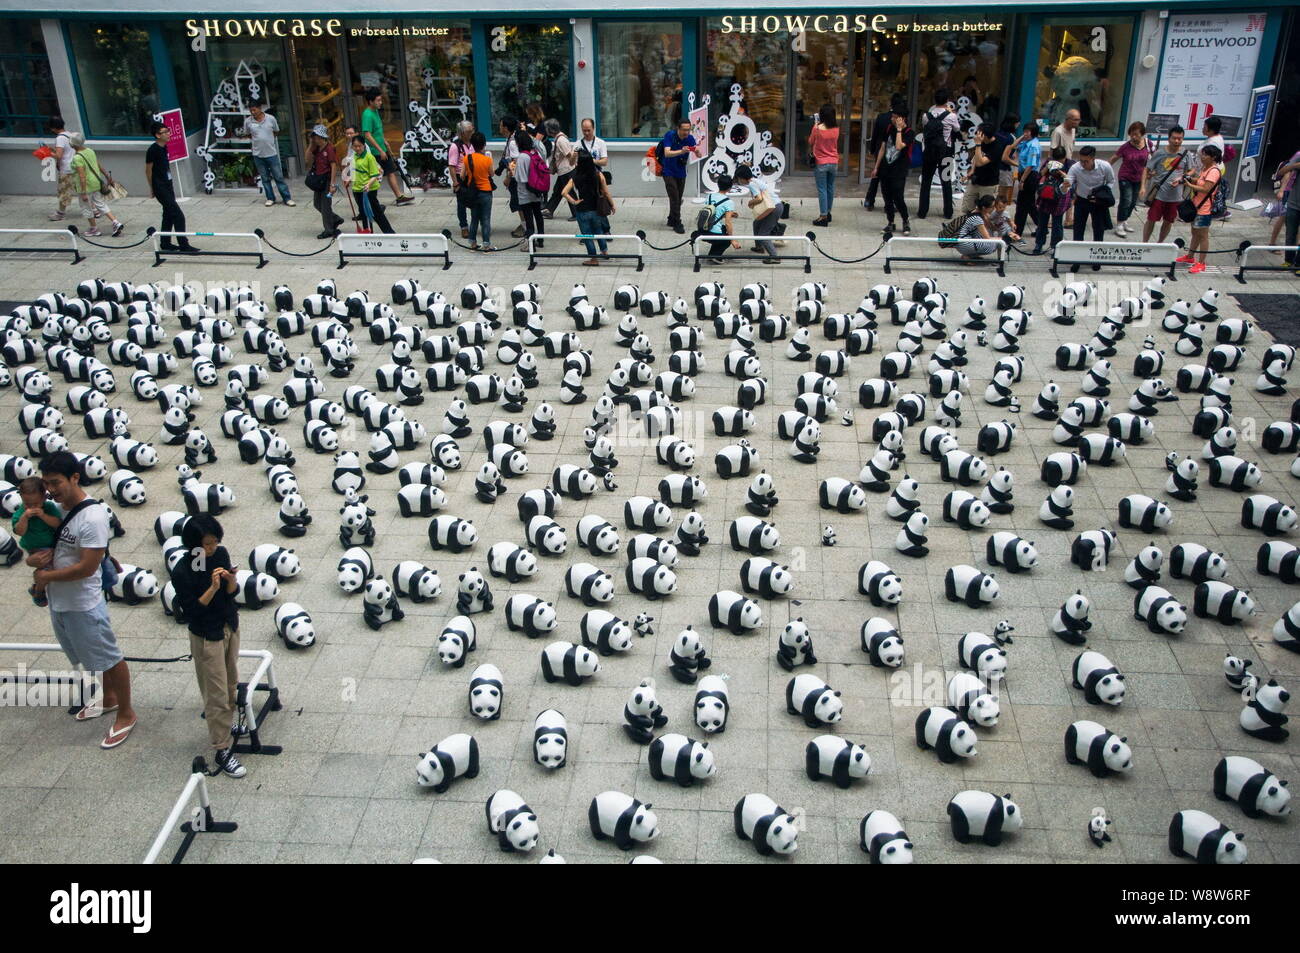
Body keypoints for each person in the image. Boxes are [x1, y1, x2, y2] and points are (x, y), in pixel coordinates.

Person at [34, 451, 135, 749]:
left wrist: (47, 578)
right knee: (88, 656)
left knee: (109, 657)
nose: (51, 489)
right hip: (60, 601)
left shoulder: (92, 516)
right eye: (47, 483)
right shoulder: (56, 509)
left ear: (75, 477)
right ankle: (108, 697)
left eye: (56, 482)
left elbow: (87, 567)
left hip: (83, 603)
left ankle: (127, 713)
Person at [171, 515, 247, 778]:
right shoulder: (182, 570)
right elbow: (191, 611)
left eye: (215, 542)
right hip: (206, 635)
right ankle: (221, 747)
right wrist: (213, 587)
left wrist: (230, 580)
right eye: (206, 544)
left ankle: (225, 725)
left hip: (228, 624)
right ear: (193, 545)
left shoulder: (220, 554)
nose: (212, 548)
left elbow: (232, 593)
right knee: (215, 693)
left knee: (230, 682)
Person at [146, 121, 197, 253]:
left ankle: (165, 242)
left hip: (167, 184)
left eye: (168, 131)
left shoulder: (164, 147)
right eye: (165, 132)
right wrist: (152, 188)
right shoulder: (153, 150)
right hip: (160, 186)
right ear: (157, 135)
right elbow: (148, 170)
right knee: (178, 215)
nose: (168, 134)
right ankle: (183, 244)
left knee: (168, 214)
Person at [1067, 145, 1118, 269]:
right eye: (1081, 161)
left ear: (1093, 159)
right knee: (1078, 231)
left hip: (1098, 202)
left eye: (1086, 161)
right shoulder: (1076, 168)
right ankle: (1076, 261)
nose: (1083, 164)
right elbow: (1068, 181)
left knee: (1098, 230)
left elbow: (1111, 181)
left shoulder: (1104, 166)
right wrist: (1065, 187)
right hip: (1082, 201)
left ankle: (1096, 259)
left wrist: (1103, 192)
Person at [1140, 125, 1193, 244]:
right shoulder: (1159, 153)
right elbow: (1147, 169)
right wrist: (1143, 186)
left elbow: (1191, 170)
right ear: (1169, 138)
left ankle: (1160, 243)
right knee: (1151, 219)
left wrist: (1182, 177)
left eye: (1180, 138)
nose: (1177, 141)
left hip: (1176, 196)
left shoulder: (1186, 154)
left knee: (1169, 221)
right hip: (1159, 194)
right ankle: (1144, 243)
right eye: (1174, 138)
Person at [562, 152, 615, 265]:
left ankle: (593, 259)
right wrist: (612, 205)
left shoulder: (575, 176)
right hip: (596, 208)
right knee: (598, 230)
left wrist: (574, 202)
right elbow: (605, 191)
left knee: (587, 235)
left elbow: (564, 192)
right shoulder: (598, 174)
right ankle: (604, 252)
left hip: (582, 209)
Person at [361, 88, 413, 205]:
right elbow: (367, 135)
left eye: (380, 100)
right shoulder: (367, 115)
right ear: (370, 101)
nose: (380, 102)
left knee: (390, 171)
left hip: (382, 148)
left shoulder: (375, 111)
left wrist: (385, 141)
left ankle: (399, 197)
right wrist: (380, 150)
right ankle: (372, 200)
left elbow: (377, 131)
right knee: (378, 175)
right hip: (375, 151)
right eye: (378, 100)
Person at [14, 476, 61, 606]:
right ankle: (39, 591)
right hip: (35, 547)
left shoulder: (49, 507)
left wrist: (43, 515)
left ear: (44, 498)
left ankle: (36, 586)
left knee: (52, 568)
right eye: (27, 504)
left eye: (36, 504)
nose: (31, 508)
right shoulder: (21, 513)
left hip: (52, 544)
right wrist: (24, 518)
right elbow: (19, 531)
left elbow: (57, 523)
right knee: (46, 570)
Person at [68, 133, 124, 238]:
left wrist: (83, 192)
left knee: (86, 207)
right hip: (96, 184)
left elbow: (82, 176)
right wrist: (107, 176)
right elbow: (98, 165)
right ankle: (115, 222)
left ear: (73, 144)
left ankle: (94, 229)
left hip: (85, 187)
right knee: (100, 204)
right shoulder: (90, 151)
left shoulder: (77, 158)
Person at [917, 90, 961, 220]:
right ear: (947, 100)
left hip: (929, 151)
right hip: (945, 151)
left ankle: (922, 211)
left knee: (926, 181)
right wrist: (951, 112)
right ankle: (948, 211)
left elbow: (925, 128)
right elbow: (957, 129)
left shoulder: (926, 116)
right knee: (946, 181)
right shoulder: (951, 116)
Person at [1181, 144, 1223, 275]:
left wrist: (1189, 185)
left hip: (1204, 209)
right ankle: (1190, 256)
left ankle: (1201, 263)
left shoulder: (1214, 171)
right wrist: (1190, 179)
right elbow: (1200, 181)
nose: (1202, 157)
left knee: (1203, 236)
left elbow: (1206, 189)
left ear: (1213, 157)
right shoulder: (1206, 169)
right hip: (1196, 206)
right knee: (1195, 233)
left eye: (1205, 155)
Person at [246, 100, 293, 208]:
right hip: (257, 154)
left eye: (254, 110)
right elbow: (248, 134)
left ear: (260, 108)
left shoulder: (270, 119)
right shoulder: (248, 121)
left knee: (278, 177)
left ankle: (287, 198)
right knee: (265, 178)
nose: (253, 112)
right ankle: (270, 198)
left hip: (271, 153)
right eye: (251, 110)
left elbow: (276, 131)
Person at [734, 164, 785, 263]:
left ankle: (774, 257)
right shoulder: (755, 180)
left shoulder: (752, 184)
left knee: (763, 233)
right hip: (775, 206)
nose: (739, 181)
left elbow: (759, 198)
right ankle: (759, 247)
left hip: (773, 209)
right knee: (756, 223)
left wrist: (750, 203)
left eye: (739, 179)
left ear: (743, 178)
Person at [875, 111, 915, 235]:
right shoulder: (888, 129)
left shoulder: (909, 133)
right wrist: (876, 167)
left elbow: (898, 146)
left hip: (899, 170)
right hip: (886, 168)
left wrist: (899, 130)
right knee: (887, 198)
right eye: (892, 117)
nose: (892, 119)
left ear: (902, 119)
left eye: (895, 117)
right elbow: (883, 148)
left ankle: (905, 220)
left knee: (898, 197)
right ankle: (890, 222)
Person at [865, 94, 906, 210]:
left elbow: (875, 134)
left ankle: (869, 200)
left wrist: (872, 148)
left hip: (881, 149)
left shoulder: (882, 117)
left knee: (876, 175)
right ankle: (892, 203)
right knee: (892, 178)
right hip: (894, 152)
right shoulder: (901, 120)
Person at [1111, 122, 1150, 237]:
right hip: (1125, 176)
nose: (1133, 137)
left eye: (1136, 134)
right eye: (1131, 134)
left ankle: (1124, 220)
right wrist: (1104, 169)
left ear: (1142, 134)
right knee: (1126, 200)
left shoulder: (1148, 144)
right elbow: (1114, 158)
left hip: (1139, 177)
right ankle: (1119, 224)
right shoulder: (1126, 147)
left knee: (1133, 201)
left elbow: (1151, 161)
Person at [350, 135, 394, 234]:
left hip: (369, 190)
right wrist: (349, 179)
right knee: (363, 213)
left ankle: (389, 233)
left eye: (359, 146)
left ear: (364, 146)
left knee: (376, 212)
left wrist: (368, 184)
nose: (357, 148)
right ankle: (368, 233)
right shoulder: (354, 156)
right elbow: (354, 171)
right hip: (358, 189)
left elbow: (375, 174)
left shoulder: (369, 157)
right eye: (355, 146)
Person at [1033, 147, 1073, 253]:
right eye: (1056, 160)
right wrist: (1047, 167)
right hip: (1046, 195)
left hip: (1060, 197)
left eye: (1060, 160)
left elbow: (1072, 181)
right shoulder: (1049, 162)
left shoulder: (1070, 164)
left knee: (1057, 224)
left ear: (1065, 157)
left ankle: (1056, 247)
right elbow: (1039, 175)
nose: (1058, 162)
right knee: (1042, 222)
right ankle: (1039, 244)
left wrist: (1062, 173)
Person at [306, 125, 343, 239]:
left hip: (326, 180)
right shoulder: (316, 148)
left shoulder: (329, 148)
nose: (315, 139)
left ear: (322, 137)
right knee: (317, 204)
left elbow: (333, 166)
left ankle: (329, 229)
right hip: (318, 180)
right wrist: (311, 144)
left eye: (316, 137)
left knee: (325, 206)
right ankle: (335, 219)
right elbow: (307, 158)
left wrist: (332, 184)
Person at [660, 118, 696, 234]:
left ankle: (671, 218)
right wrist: (681, 151)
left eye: (688, 130)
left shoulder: (690, 138)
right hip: (668, 170)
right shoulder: (670, 135)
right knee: (674, 196)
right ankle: (677, 222)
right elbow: (667, 153)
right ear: (678, 129)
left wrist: (697, 152)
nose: (686, 132)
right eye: (684, 130)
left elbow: (694, 149)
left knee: (678, 197)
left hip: (681, 171)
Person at [512, 127, 547, 247]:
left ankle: (530, 243)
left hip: (524, 193)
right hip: (536, 191)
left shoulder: (522, 157)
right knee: (538, 216)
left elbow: (520, 178)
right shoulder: (534, 153)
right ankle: (541, 240)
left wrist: (512, 172)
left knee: (528, 219)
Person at [462, 130, 495, 252]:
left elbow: (462, 175)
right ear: (484, 145)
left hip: (473, 192)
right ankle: (486, 244)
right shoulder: (487, 160)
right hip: (486, 191)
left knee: (474, 218)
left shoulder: (467, 158)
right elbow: (491, 174)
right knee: (486, 219)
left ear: (472, 145)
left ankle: (473, 243)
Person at [1009, 121, 1042, 241]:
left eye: (1028, 132)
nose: (1025, 133)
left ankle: (1017, 231)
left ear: (1033, 133)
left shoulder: (1033, 146)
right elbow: (1013, 146)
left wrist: (1022, 181)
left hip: (1029, 176)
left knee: (1022, 206)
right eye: (1024, 131)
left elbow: (1030, 166)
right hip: (1024, 174)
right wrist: (1023, 136)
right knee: (1030, 204)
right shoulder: (1027, 142)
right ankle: (1042, 227)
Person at [808, 104, 840, 227]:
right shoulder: (836, 129)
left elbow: (811, 141)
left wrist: (815, 125)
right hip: (833, 161)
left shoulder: (817, 128)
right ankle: (828, 212)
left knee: (822, 189)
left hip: (820, 162)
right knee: (830, 187)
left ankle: (823, 216)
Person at [959, 123, 1000, 214]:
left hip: (988, 184)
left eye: (980, 133)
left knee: (985, 211)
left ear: (985, 135)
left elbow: (980, 162)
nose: (977, 135)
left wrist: (978, 145)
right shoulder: (982, 143)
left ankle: (982, 227)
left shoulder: (996, 147)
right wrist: (972, 170)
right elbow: (975, 158)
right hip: (975, 180)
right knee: (967, 208)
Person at [700, 172, 741, 263]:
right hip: (713, 232)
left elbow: (713, 212)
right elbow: (728, 223)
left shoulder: (709, 196)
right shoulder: (728, 202)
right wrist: (732, 240)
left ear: (718, 185)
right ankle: (716, 256)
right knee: (726, 239)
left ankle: (712, 255)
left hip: (703, 228)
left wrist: (728, 214)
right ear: (730, 188)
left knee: (721, 229)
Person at [498, 117, 527, 238]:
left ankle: (525, 227)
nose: (499, 128)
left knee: (518, 203)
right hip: (520, 176)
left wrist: (508, 178)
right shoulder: (513, 138)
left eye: (501, 125)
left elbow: (515, 161)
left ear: (505, 127)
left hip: (517, 178)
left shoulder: (512, 142)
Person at [543, 118, 577, 220]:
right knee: (557, 191)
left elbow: (569, 155)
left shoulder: (561, 140)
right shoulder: (560, 138)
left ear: (551, 130)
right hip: (564, 170)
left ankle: (576, 213)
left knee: (569, 192)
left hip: (567, 170)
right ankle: (549, 210)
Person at [448, 121, 476, 238]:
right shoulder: (455, 146)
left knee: (475, 201)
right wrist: (455, 182)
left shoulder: (474, 143)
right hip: (461, 177)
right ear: (462, 133)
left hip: (473, 176)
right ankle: (464, 226)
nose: (472, 133)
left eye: (472, 130)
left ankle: (474, 225)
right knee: (461, 203)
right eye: (469, 131)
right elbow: (452, 166)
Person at [47, 117, 76, 222]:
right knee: (83, 191)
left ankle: (61, 213)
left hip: (66, 169)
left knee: (64, 192)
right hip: (76, 166)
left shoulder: (60, 138)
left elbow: (59, 155)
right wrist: (53, 149)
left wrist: (47, 153)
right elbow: (68, 150)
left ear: (53, 128)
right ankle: (95, 210)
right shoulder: (70, 135)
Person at [1275, 151, 1300, 268]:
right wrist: (1295, 166)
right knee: (1290, 234)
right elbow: (1281, 172)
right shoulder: (1299, 155)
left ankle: (1299, 264)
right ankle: (1289, 260)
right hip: (1294, 203)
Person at [954, 194, 999, 259]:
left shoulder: (975, 212)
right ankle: (968, 256)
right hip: (964, 244)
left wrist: (987, 217)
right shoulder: (977, 218)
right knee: (993, 246)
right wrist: (1002, 238)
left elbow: (991, 229)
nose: (994, 209)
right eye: (992, 207)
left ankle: (971, 254)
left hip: (961, 242)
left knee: (991, 235)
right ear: (984, 208)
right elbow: (987, 238)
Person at [994, 114, 1019, 202]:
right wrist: (1017, 164)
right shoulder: (1011, 138)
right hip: (1004, 168)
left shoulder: (997, 133)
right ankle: (997, 213)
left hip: (994, 166)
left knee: (994, 194)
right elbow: (1005, 158)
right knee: (1002, 196)